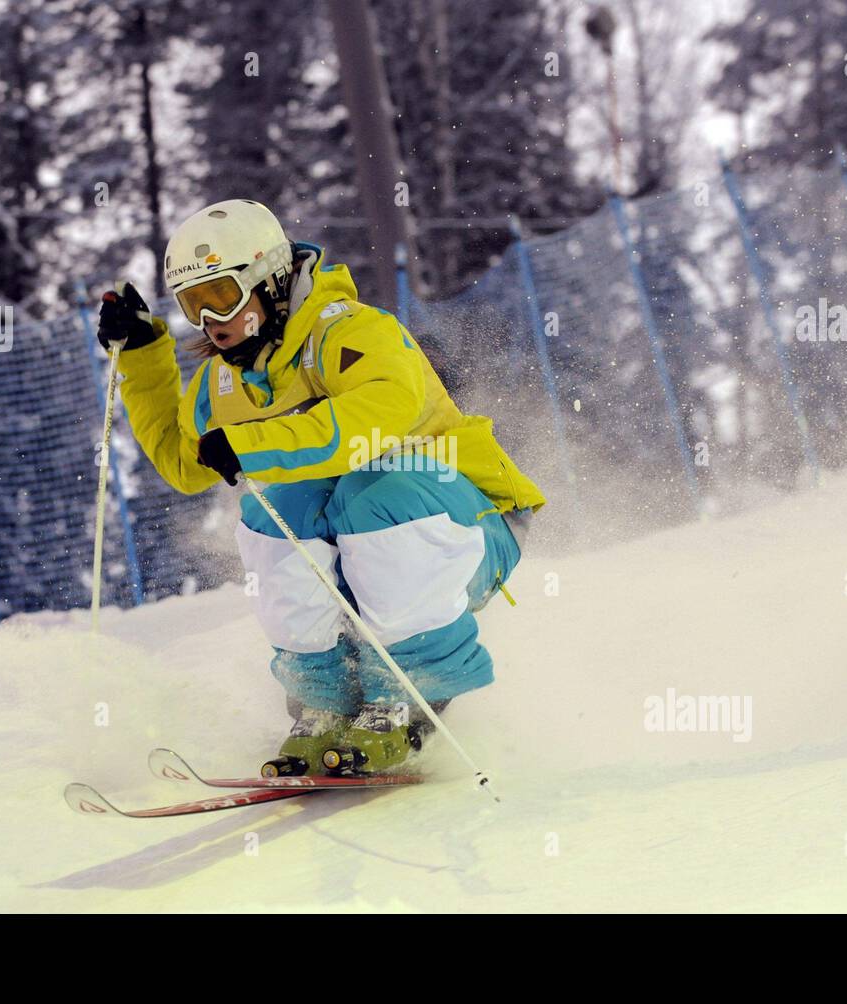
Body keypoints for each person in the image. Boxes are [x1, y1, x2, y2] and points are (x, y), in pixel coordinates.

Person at [97, 198, 544, 775]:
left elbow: (381, 412)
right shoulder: (223, 381)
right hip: (369, 548)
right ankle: (325, 699)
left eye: (222, 297)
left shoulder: (350, 331)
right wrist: (141, 358)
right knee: (275, 506)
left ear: (270, 279)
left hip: (470, 526)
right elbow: (186, 467)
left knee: (376, 491)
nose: (212, 322)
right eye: (194, 305)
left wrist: (256, 444)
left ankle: (408, 694)